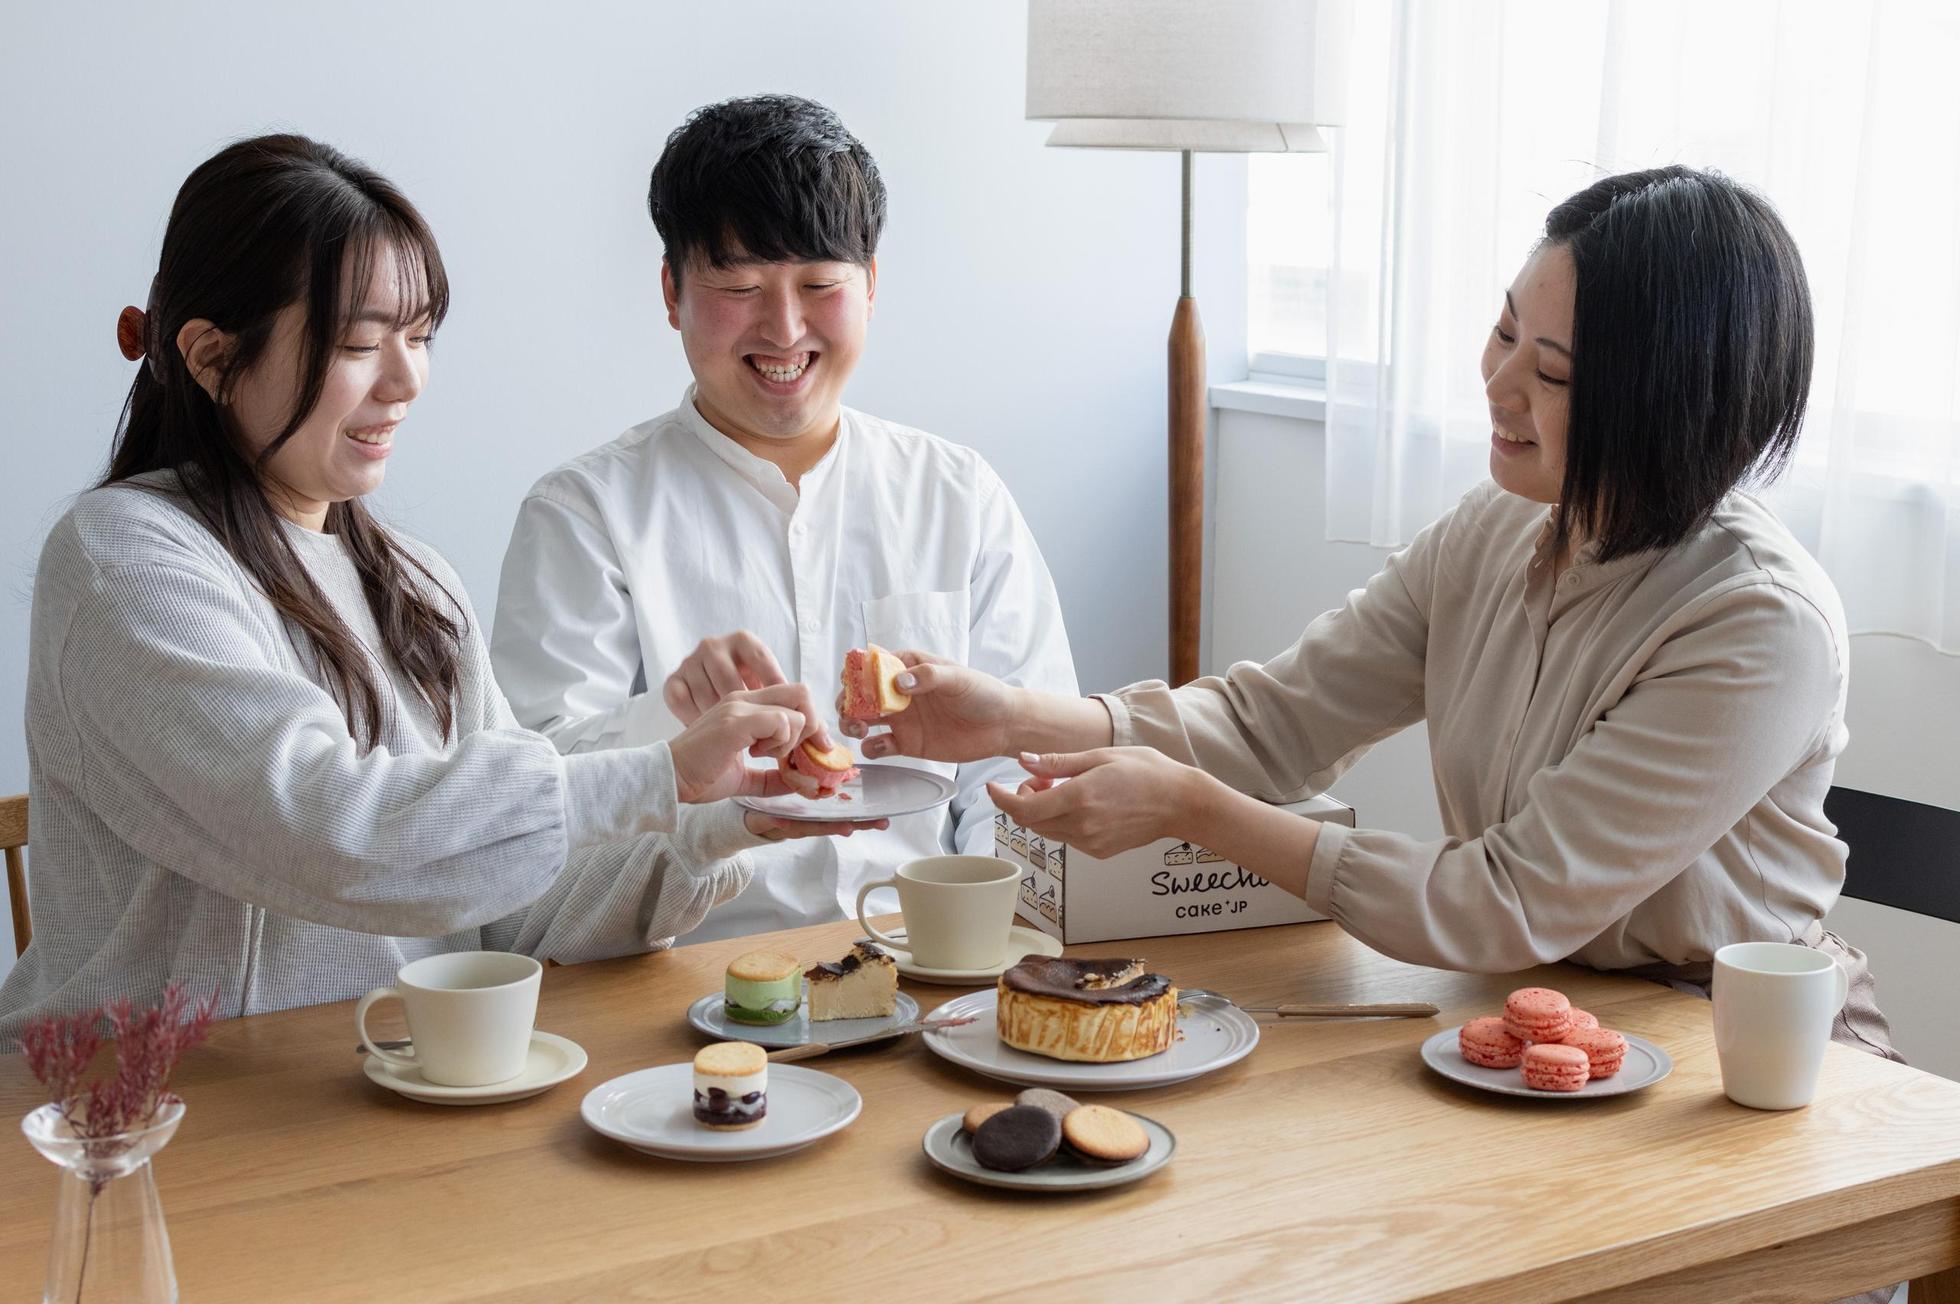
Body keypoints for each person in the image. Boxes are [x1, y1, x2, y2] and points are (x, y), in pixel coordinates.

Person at [848, 166, 1900, 1062]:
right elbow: (1277, 720)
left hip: (1740, 1047)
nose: (1494, 383)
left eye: (1550, 372)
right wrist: (1015, 718)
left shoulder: (1755, 622)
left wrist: (1194, 810)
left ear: (1666, 407)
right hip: (1536, 1012)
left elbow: (1504, 897)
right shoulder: (1493, 530)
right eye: (1500, 332)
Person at [0, 134, 865, 1043]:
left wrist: (722, 816)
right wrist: (660, 774)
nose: (408, 380)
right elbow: (328, 832)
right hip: (144, 1108)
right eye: (359, 342)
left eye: (418, 338)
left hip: (379, 1089)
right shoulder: (124, 559)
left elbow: (514, 909)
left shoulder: (412, 582)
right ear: (213, 359)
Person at [491, 95, 1077, 942]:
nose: (785, 329)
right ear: (672, 291)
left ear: (870, 287)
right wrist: (673, 715)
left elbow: (1024, 772)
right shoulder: (585, 514)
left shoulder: (958, 494)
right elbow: (534, 813)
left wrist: (989, 943)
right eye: (739, 287)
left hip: (931, 957)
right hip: (677, 967)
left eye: (820, 286)